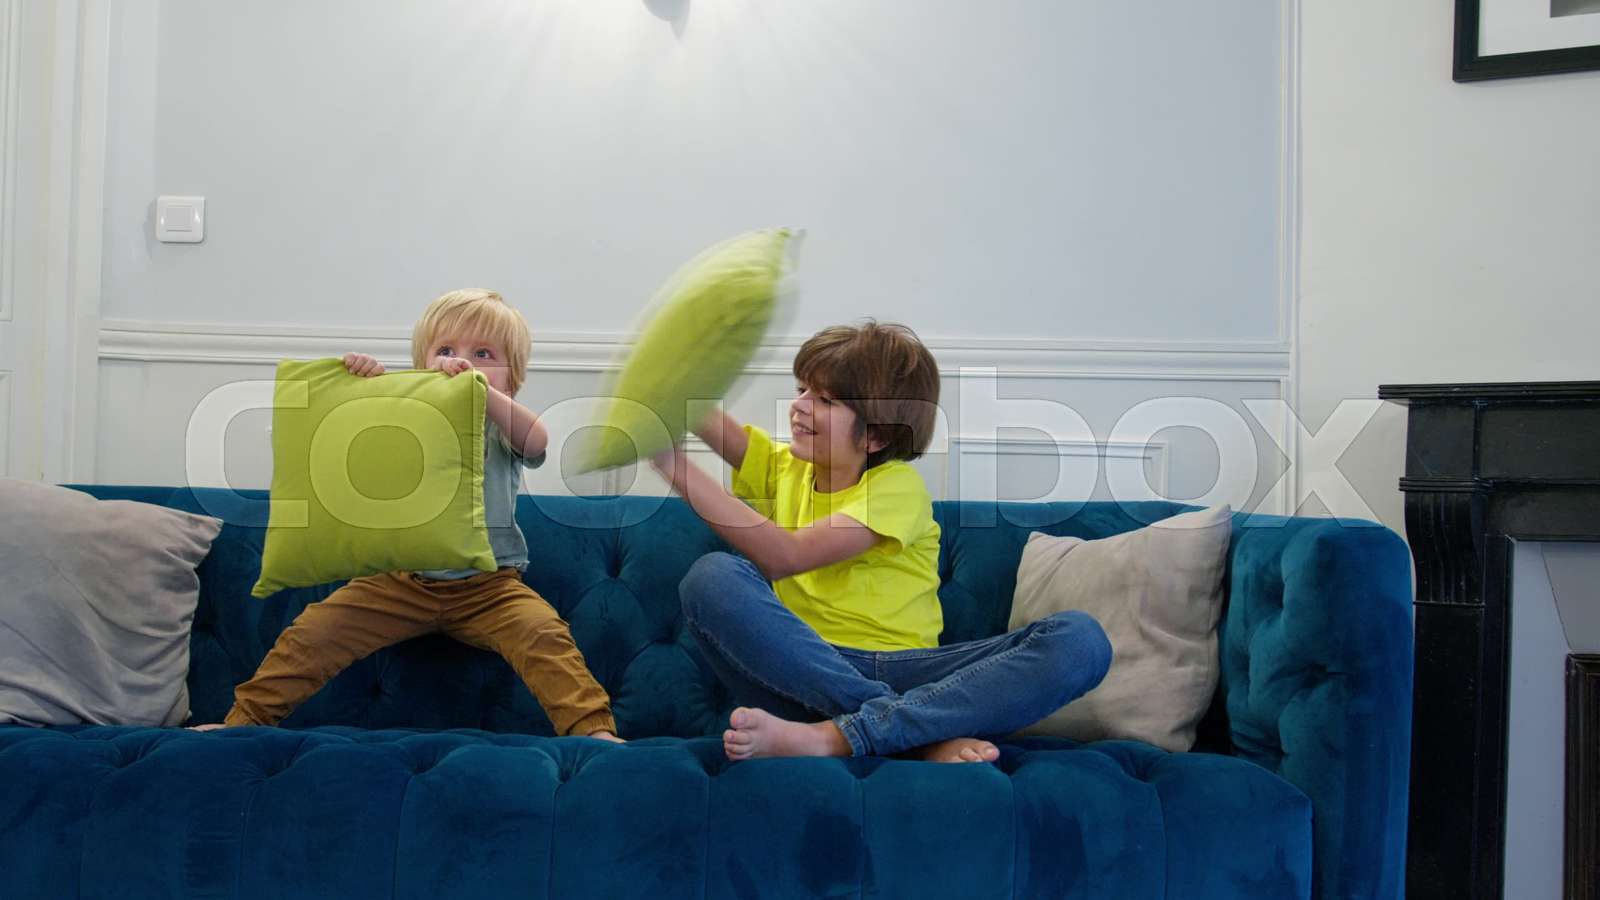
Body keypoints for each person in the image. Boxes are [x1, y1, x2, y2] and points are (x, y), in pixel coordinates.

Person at [651, 320, 1110, 763]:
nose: (801, 406)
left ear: (875, 436)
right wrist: (673, 367)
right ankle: (915, 735)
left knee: (1081, 640)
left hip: (911, 673)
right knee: (711, 577)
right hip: (803, 674)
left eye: (825, 400)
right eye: (802, 390)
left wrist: (671, 463)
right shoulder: (787, 469)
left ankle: (845, 737)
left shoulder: (897, 489)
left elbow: (783, 556)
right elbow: (698, 411)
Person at [203, 289, 620, 742]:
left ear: (512, 379)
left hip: (491, 586)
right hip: (398, 582)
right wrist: (369, 382)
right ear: (423, 367)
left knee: (544, 635)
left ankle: (592, 733)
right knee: (311, 633)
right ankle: (241, 724)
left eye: (484, 354)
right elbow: (365, 436)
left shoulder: (498, 425)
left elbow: (537, 440)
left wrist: (483, 394)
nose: (462, 363)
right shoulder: (409, 417)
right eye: (445, 350)